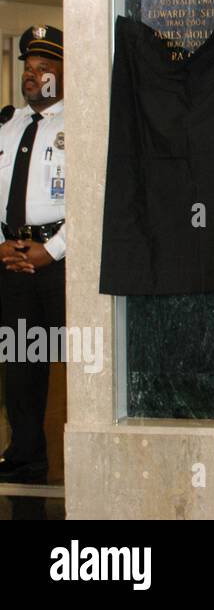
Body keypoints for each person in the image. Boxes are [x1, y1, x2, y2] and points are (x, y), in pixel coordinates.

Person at [0, 25, 67, 485]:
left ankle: (86, 450)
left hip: (60, 263)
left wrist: (53, 250)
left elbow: (97, 197)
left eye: (44, 67)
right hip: (13, 261)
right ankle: (25, 455)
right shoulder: (7, 126)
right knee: (21, 362)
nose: (32, 74)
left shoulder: (80, 125)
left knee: (80, 358)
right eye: (29, 66)